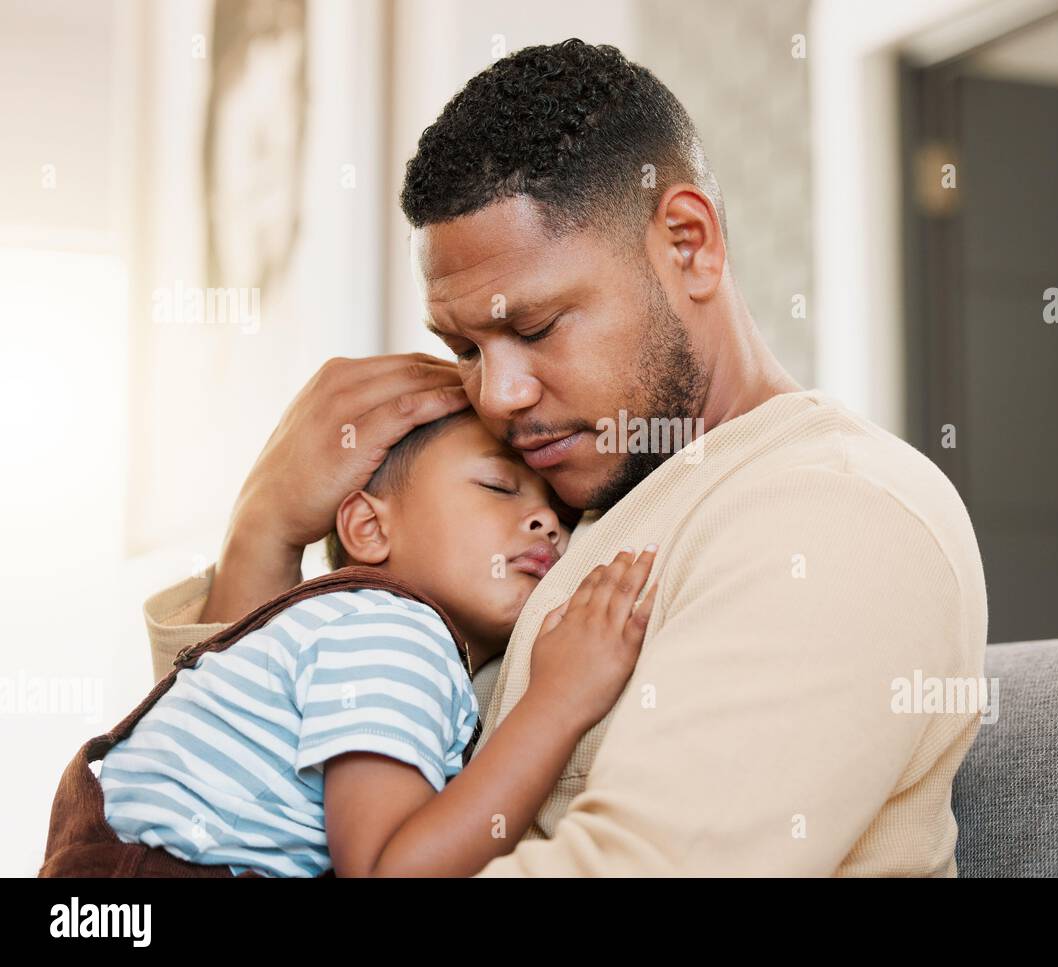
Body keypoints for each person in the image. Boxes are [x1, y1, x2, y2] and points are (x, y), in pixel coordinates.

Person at [143, 39, 988, 875]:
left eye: (537, 327)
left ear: (688, 244)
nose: (498, 394)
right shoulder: (552, 514)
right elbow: (235, 806)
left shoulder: (835, 516)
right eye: (464, 347)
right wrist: (264, 528)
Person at [100, 409, 656, 876]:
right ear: (369, 528)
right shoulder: (392, 630)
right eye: (497, 486)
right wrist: (559, 699)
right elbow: (387, 869)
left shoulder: (359, 628)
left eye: (561, 516)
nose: (545, 521)